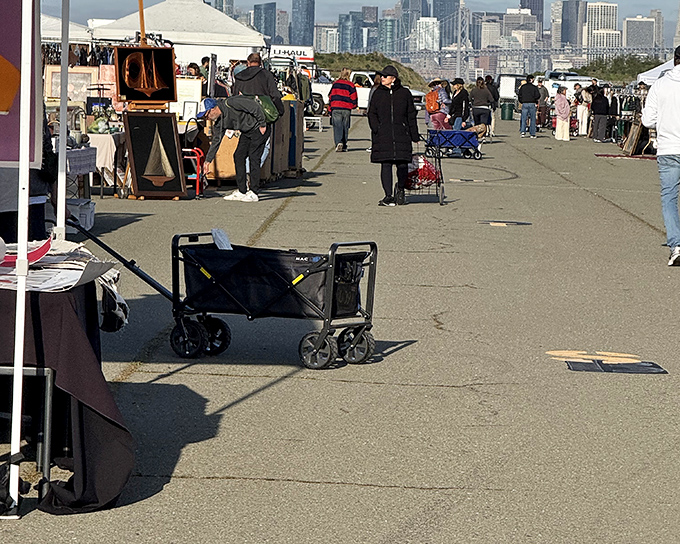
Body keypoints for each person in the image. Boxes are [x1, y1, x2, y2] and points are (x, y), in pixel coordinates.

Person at [642, 46, 680, 265]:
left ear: (674, 60)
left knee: (669, 198)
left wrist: (664, 123)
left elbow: (647, 120)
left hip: (668, 148)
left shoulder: (660, 85)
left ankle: (676, 245)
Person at [368, 65, 419, 207]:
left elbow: (411, 115)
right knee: (386, 164)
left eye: (385, 76)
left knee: (402, 165)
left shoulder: (404, 93)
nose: (382, 78)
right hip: (383, 135)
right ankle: (388, 196)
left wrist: (414, 134)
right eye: (382, 76)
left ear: (393, 78)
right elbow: (371, 113)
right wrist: (376, 127)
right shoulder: (378, 93)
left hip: (402, 134)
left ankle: (400, 190)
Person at [200, 97, 267, 203]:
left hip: (259, 127)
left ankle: (254, 192)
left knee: (254, 157)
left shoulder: (231, 103)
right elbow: (216, 142)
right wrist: (208, 161)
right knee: (238, 156)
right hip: (246, 131)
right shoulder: (219, 123)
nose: (206, 118)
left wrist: (263, 124)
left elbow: (254, 107)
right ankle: (242, 191)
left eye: (206, 115)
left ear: (213, 109)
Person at [328, 67, 358, 152]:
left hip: (336, 107)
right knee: (345, 126)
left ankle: (338, 142)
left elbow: (331, 97)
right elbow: (354, 97)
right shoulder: (351, 85)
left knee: (337, 126)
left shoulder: (335, 84)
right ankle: (344, 144)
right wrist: (354, 105)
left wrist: (330, 109)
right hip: (346, 108)